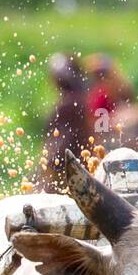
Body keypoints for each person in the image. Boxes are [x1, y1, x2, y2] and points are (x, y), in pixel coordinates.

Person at [40, 54, 91, 192]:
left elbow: (64, 139)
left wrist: (51, 160)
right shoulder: (78, 100)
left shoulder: (70, 104)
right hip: (70, 162)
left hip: (70, 163)